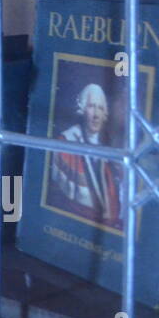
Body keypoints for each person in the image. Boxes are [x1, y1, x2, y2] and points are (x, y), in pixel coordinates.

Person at [48, 82, 122, 228]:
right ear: (82, 109)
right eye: (91, 106)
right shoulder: (66, 142)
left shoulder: (107, 150)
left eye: (100, 108)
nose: (96, 115)